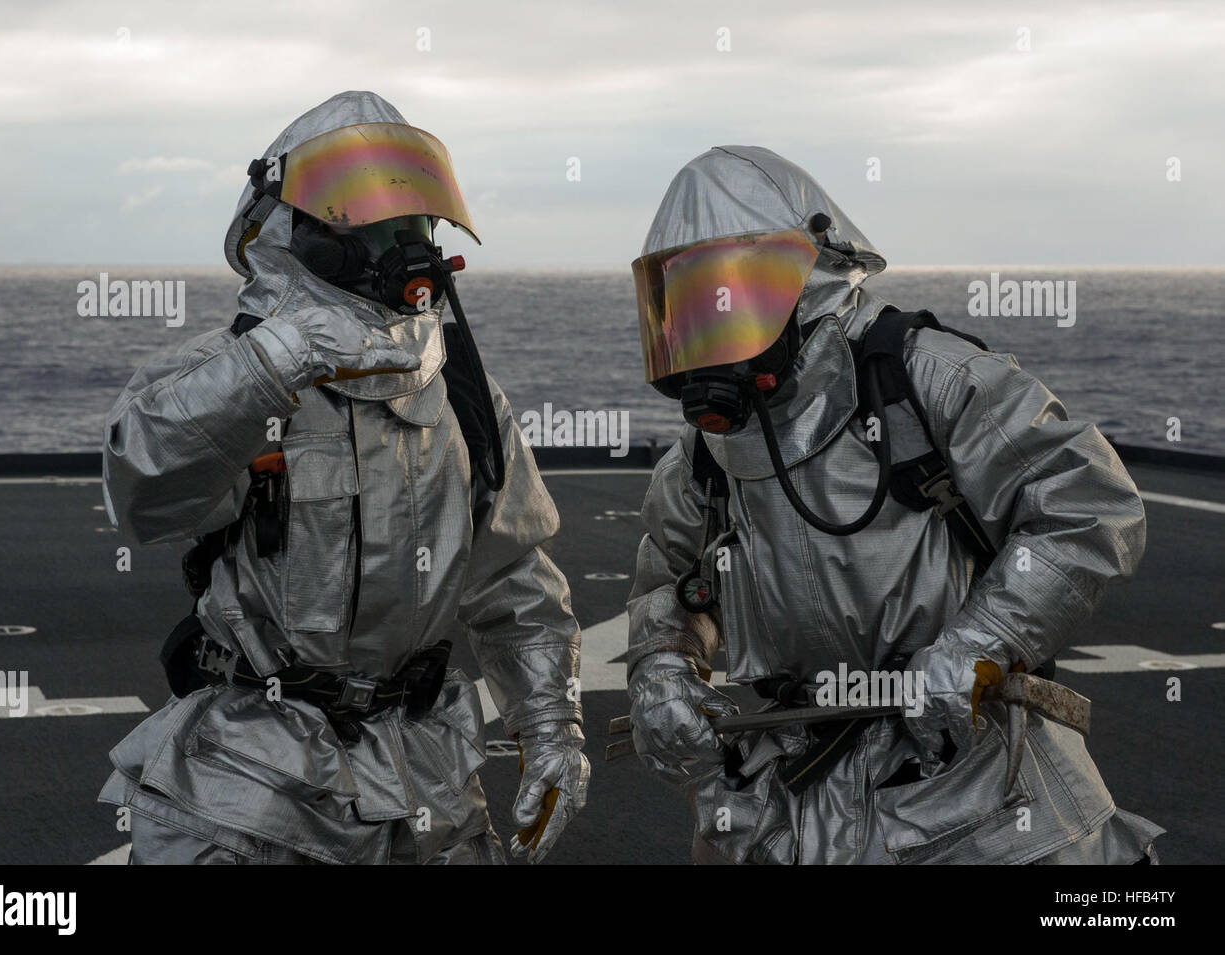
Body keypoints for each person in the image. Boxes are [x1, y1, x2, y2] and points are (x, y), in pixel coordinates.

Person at [624, 145, 1163, 864]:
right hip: (796, 801)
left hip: (978, 798)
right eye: (691, 309)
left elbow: (1091, 507)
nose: (705, 336)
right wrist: (663, 670)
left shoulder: (928, 381)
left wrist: (977, 647)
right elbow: (669, 581)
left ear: (799, 282)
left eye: (726, 302)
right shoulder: (702, 458)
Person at [98, 91, 589, 865]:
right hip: (250, 792)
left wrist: (551, 722)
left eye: (411, 210)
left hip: (426, 790)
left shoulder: (461, 387)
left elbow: (514, 576)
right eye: (370, 210)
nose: (403, 234)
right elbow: (142, 491)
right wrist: (272, 362)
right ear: (306, 228)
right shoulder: (235, 374)